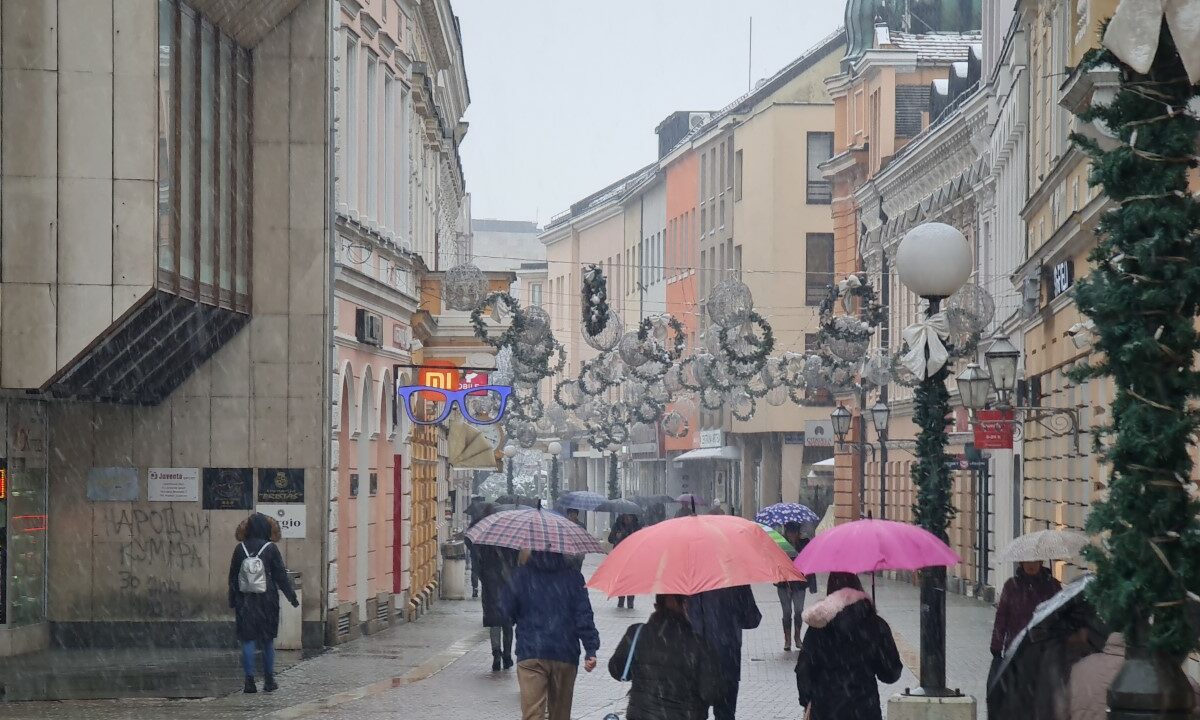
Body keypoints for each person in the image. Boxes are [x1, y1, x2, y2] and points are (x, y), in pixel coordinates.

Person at [501, 549, 600, 720]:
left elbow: (506, 612)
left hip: (531, 652)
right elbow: (584, 615)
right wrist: (590, 649)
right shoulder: (574, 578)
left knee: (532, 714)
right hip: (565, 653)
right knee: (560, 715)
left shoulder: (520, 576)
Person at [795, 572, 903, 720]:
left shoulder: (819, 626)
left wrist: (807, 700)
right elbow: (891, 673)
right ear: (858, 587)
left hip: (825, 709)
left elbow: (803, 669)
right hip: (865, 709)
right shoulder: (876, 625)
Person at [608, 594, 722, 720]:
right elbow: (710, 692)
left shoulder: (637, 633)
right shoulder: (699, 643)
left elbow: (617, 671)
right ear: (685, 606)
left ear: (656, 606)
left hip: (641, 714)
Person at [228, 512, 299, 694]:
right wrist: (291, 597)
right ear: (266, 529)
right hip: (267, 600)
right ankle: (268, 680)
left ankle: (249, 681)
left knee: (248, 640)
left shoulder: (240, 549)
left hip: (245, 600)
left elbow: (233, 577)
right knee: (267, 640)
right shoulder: (270, 548)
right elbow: (280, 576)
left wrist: (233, 599)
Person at [686, 585, 762, 720]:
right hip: (727, 661)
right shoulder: (735, 580)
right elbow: (752, 619)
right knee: (725, 715)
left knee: (695, 714)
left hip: (696, 662)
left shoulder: (689, 581)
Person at [474, 506, 519, 671]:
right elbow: (517, 565)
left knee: (495, 623)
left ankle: (496, 654)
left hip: (491, 589)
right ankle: (507, 655)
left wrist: (485, 581)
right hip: (508, 588)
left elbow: (478, 567)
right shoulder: (511, 541)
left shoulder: (483, 542)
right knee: (507, 624)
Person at [991, 560, 1062, 659]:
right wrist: (996, 646)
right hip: (1016, 649)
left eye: (1034, 561)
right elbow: (1001, 618)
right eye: (1027, 562)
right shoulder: (1011, 586)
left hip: (1044, 650)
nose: (1030, 565)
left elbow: (1061, 616)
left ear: (1040, 562)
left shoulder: (1052, 586)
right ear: (1021, 563)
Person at [776, 522, 817, 651]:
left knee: (799, 611)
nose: (792, 535)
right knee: (787, 612)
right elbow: (774, 562)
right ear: (786, 532)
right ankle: (787, 639)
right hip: (784, 584)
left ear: (798, 532)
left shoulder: (804, 543)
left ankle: (797, 637)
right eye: (789, 532)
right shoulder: (780, 544)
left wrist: (812, 584)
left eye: (794, 532)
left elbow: (810, 562)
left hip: (799, 584)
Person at [607, 513, 642, 609]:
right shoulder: (617, 525)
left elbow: (641, 539)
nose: (628, 518)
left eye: (630, 517)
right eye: (626, 516)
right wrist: (616, 537)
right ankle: (621, 600)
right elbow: (610, 539)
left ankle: (630, 601)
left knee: (631, 579)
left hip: (632, 556)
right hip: (620, 555)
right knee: (621, 578)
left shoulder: (636, 526)